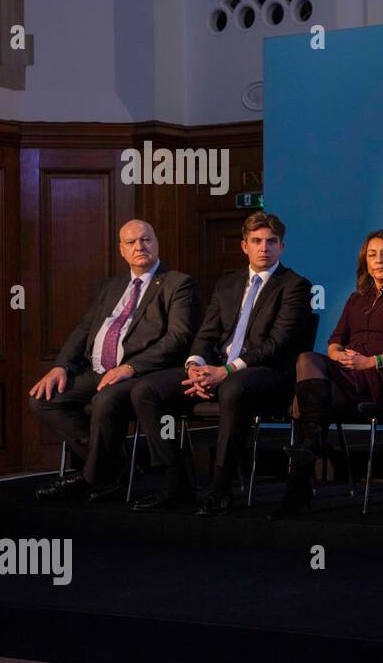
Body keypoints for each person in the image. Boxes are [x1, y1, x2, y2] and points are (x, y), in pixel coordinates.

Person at [129, 212, 313, 515]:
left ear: (282, 247)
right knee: (146, 390)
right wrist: (195, 366)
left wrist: (226, 371)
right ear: (244, 246)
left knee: (233, 388)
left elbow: (276, 344)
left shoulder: (295, 286)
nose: (264, 248)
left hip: (267, 375)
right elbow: (206, 333)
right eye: (256, 241)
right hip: (216, 369)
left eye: (271, 242)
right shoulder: (228, 284)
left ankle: (220, 488)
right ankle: (176, 483)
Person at [28, 220, 199, 502]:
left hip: (141, 375)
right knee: (43, 399)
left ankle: (92, 477)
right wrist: (61, 366)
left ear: (156, 243)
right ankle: (115, 466)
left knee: (105, 400)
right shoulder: (112, 286)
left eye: (145, 240)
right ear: (122, 250)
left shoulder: (178, 283)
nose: (139, 247)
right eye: (131, 242)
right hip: (96, 371)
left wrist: (130, 367)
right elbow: (84, 329)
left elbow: (178, 337)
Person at [271, 230, 383, 519]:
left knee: (307, 398)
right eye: (372, 255)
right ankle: (310, 449)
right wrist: (336, 354)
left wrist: (371, 362)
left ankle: (300, 482)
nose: (379, 260)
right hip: (348, 373)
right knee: (308, 361)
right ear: (365, 262)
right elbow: (335, 337)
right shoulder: (357, 298)